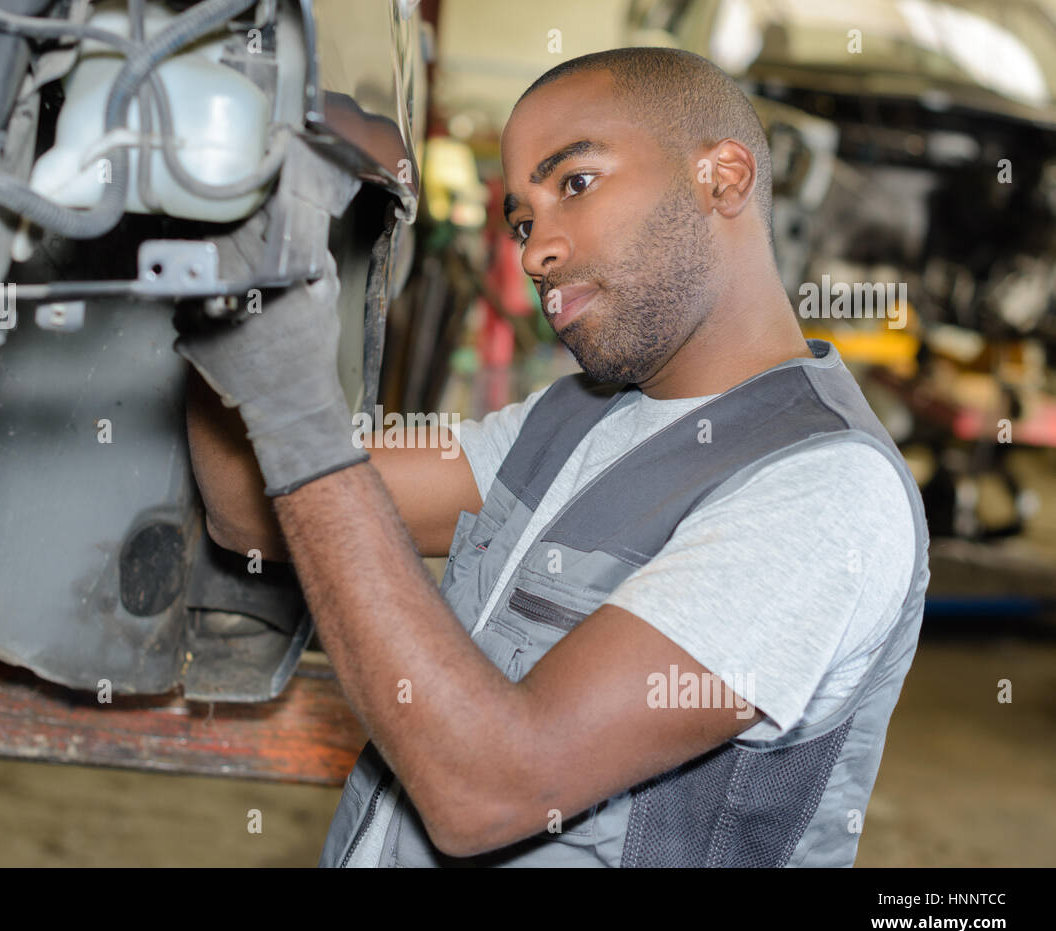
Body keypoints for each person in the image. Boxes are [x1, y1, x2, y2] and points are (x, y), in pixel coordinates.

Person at [176, 47, 929, 867]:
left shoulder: (822, 488)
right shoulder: (570, 417)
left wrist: (293, 403)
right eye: (523, 220)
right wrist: (213, 291)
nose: (536, 253)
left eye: (575, 183)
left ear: (724, 178)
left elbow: (489, 787)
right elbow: (253, 510)